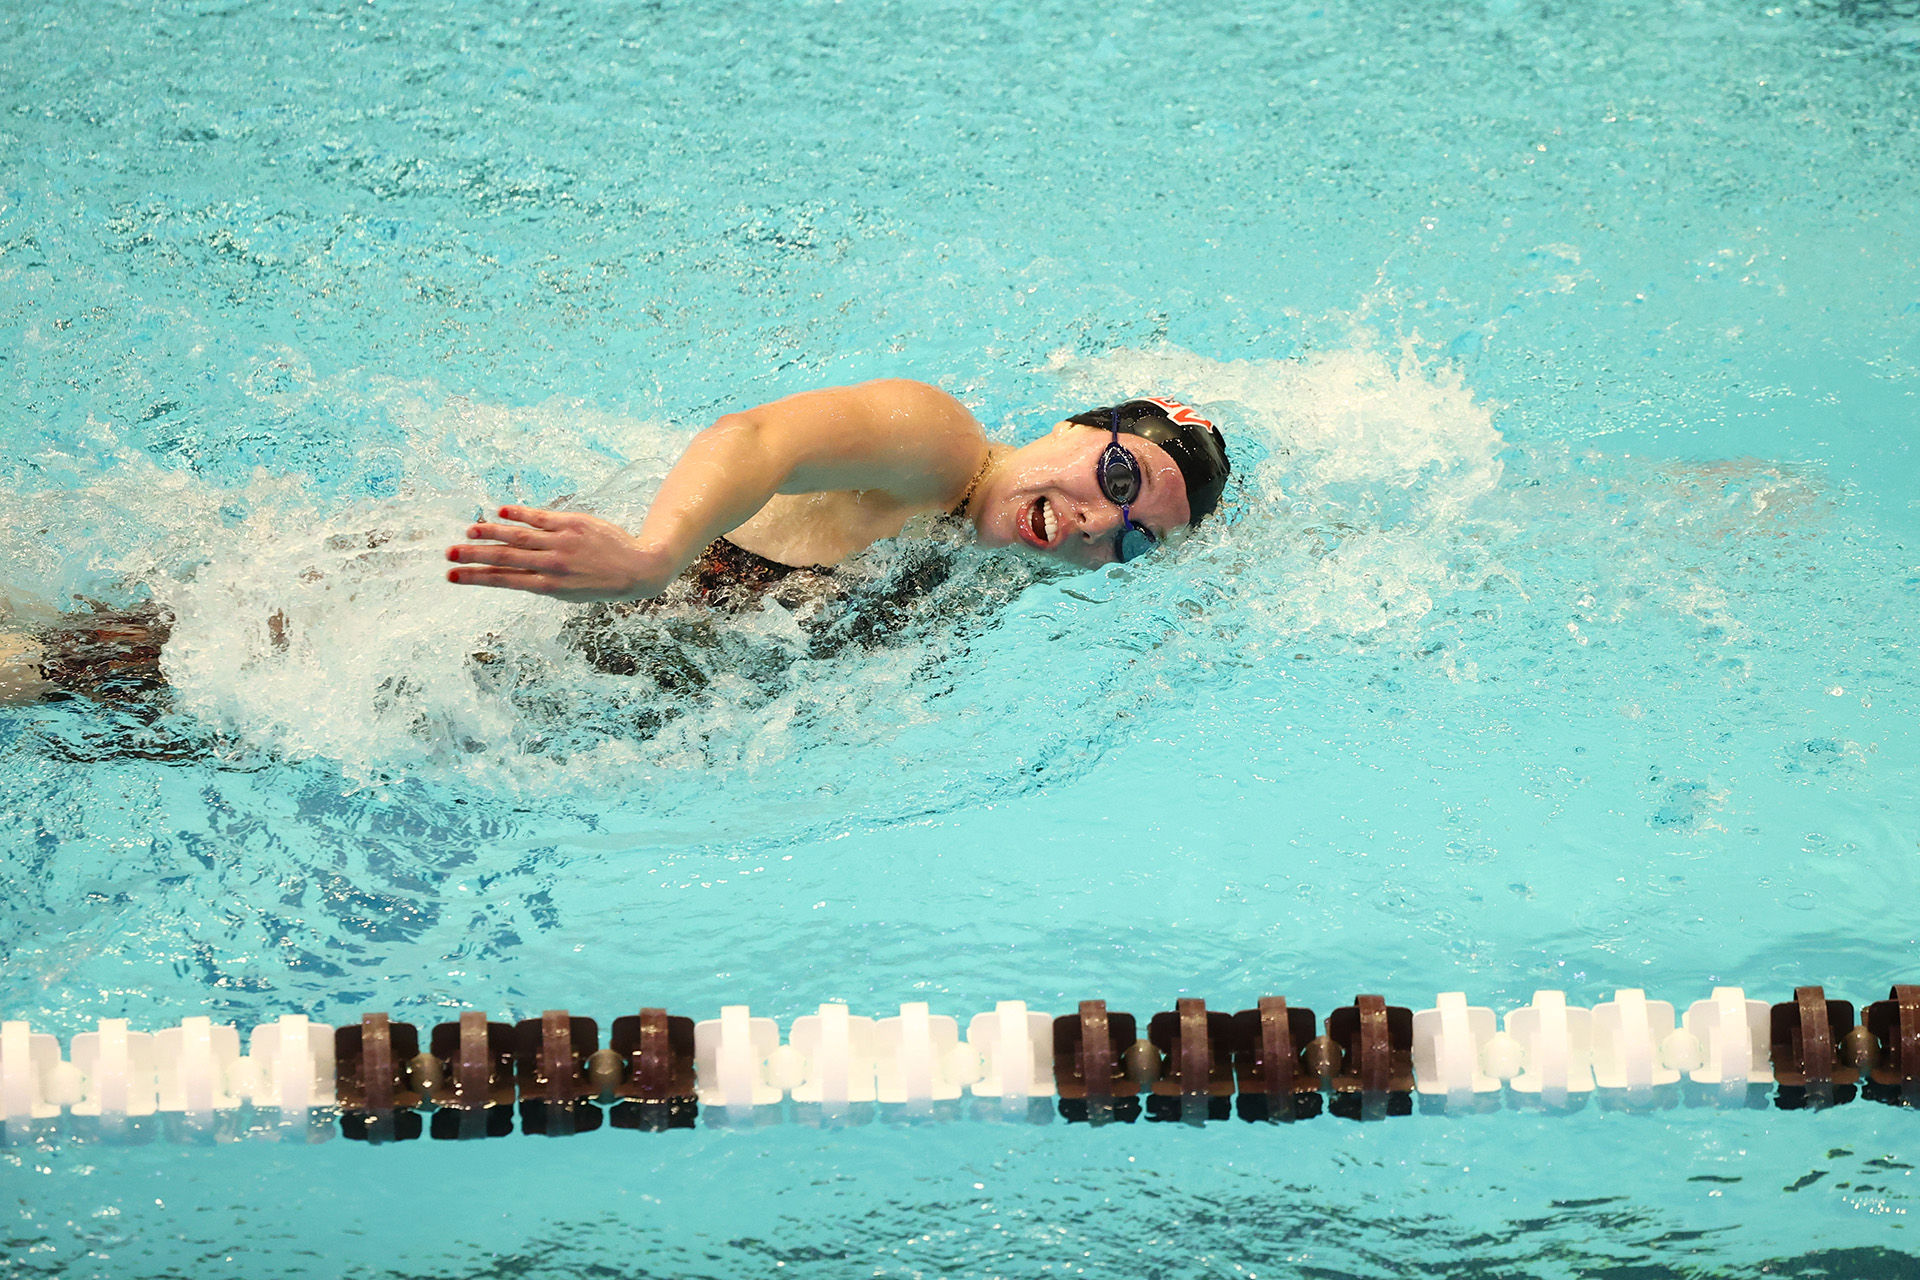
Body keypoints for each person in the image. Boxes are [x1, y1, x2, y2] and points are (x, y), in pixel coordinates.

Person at [2, 380, 1231, 707]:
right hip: (492, 603)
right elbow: (756, 439)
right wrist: (652, 552)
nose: (1092, 519)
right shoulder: (935, 441)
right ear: (1076, 422)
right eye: (1114, 473)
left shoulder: (980, 557)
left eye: (1126, 541)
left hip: (519, 661)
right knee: (96, 672)